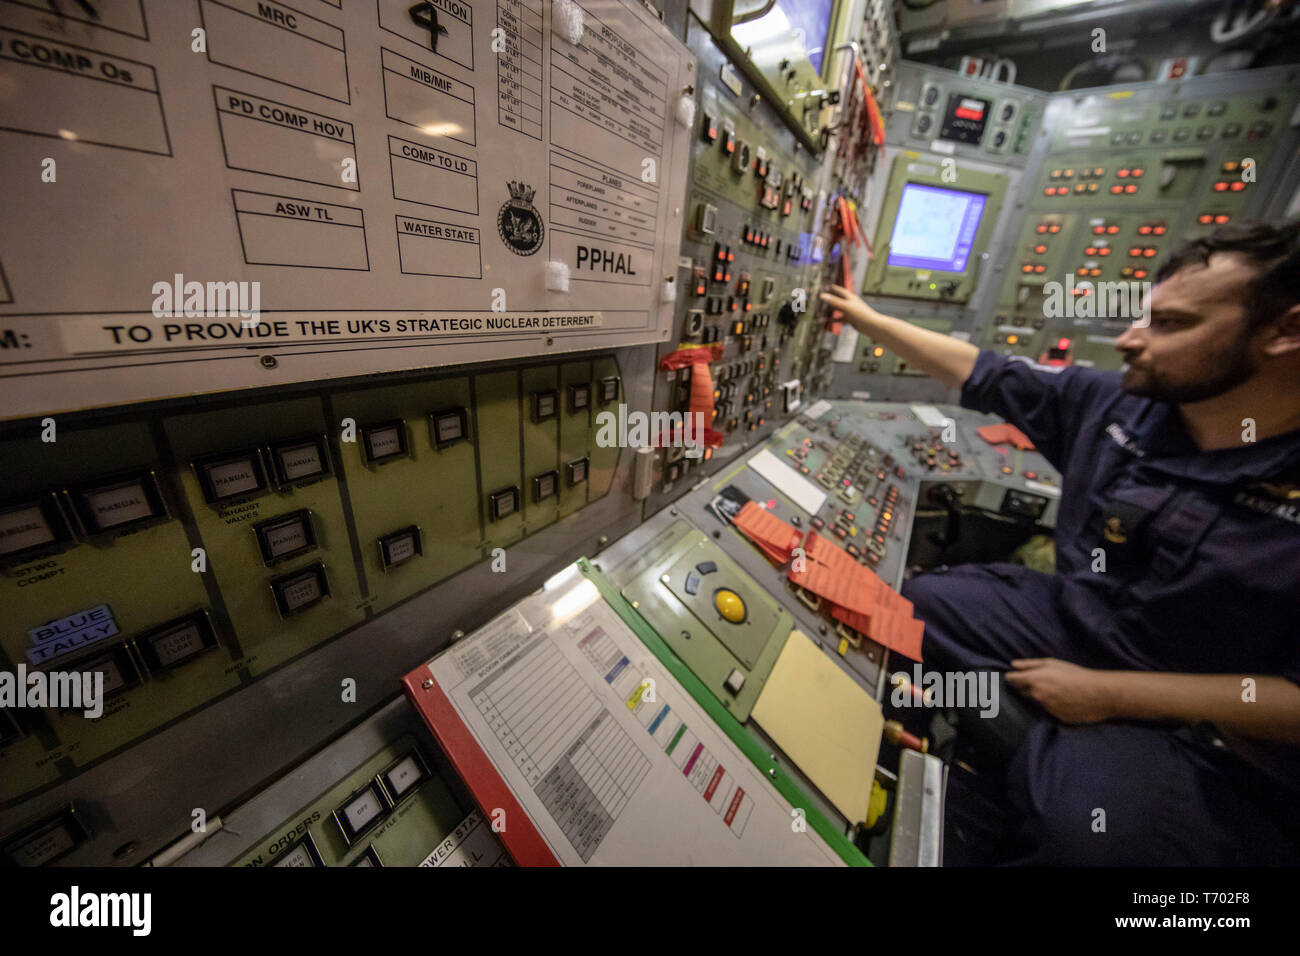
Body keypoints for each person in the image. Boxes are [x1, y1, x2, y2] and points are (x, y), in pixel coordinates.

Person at [820, 220, 1300, 865]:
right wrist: (865, 318)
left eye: (1173, 325)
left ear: (1285, 332)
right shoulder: (1124, 409)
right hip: (1087, 624)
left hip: (1225, 725)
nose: (1131, 340)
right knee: (911, 609)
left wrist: (1106, 695)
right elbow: (988, 374)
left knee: (1087, 838)